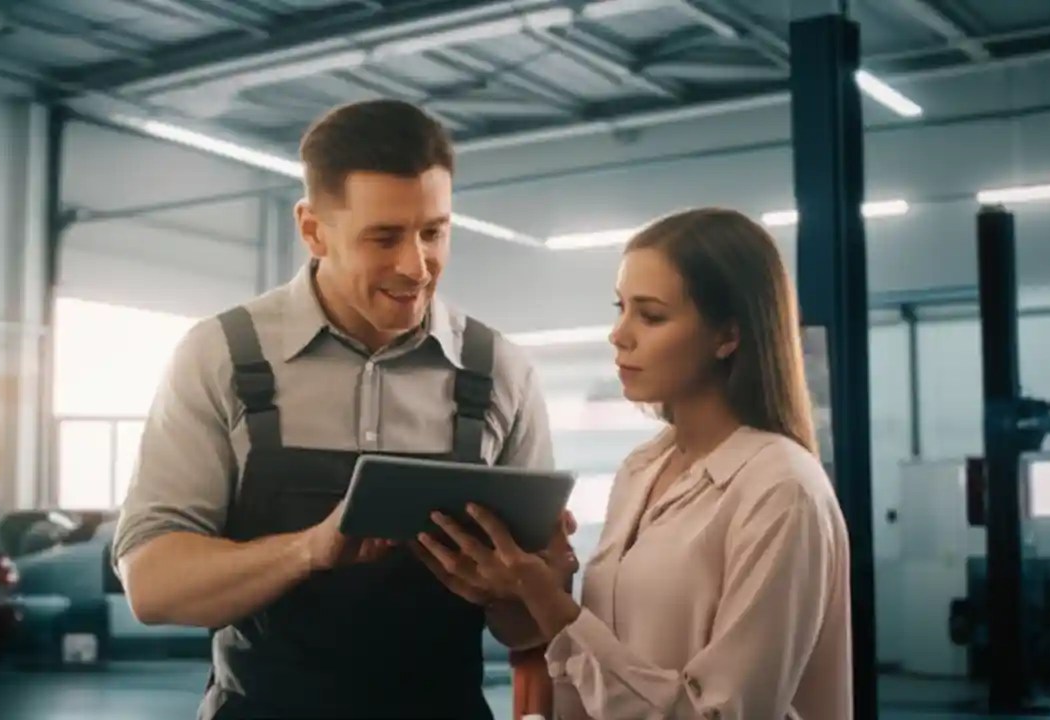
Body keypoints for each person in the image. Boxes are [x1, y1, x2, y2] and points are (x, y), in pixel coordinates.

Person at [111, 98, 571, 720]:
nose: (416, 266)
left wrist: (522, 585)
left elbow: (527, 632)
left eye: (434, 232)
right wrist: (309, 550)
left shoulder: (500, 374)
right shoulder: (220, 356)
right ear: (312, 229)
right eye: (384, 237)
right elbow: (152, 586)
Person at [420, 207, 854, 719]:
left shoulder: (781, 490)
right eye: (621, 308)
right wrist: (546, 585)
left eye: (651, 316)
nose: (619, 334)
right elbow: (611, 669)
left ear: (727, 336)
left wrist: (553, 607)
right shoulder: (642, 468)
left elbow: (719, 712)